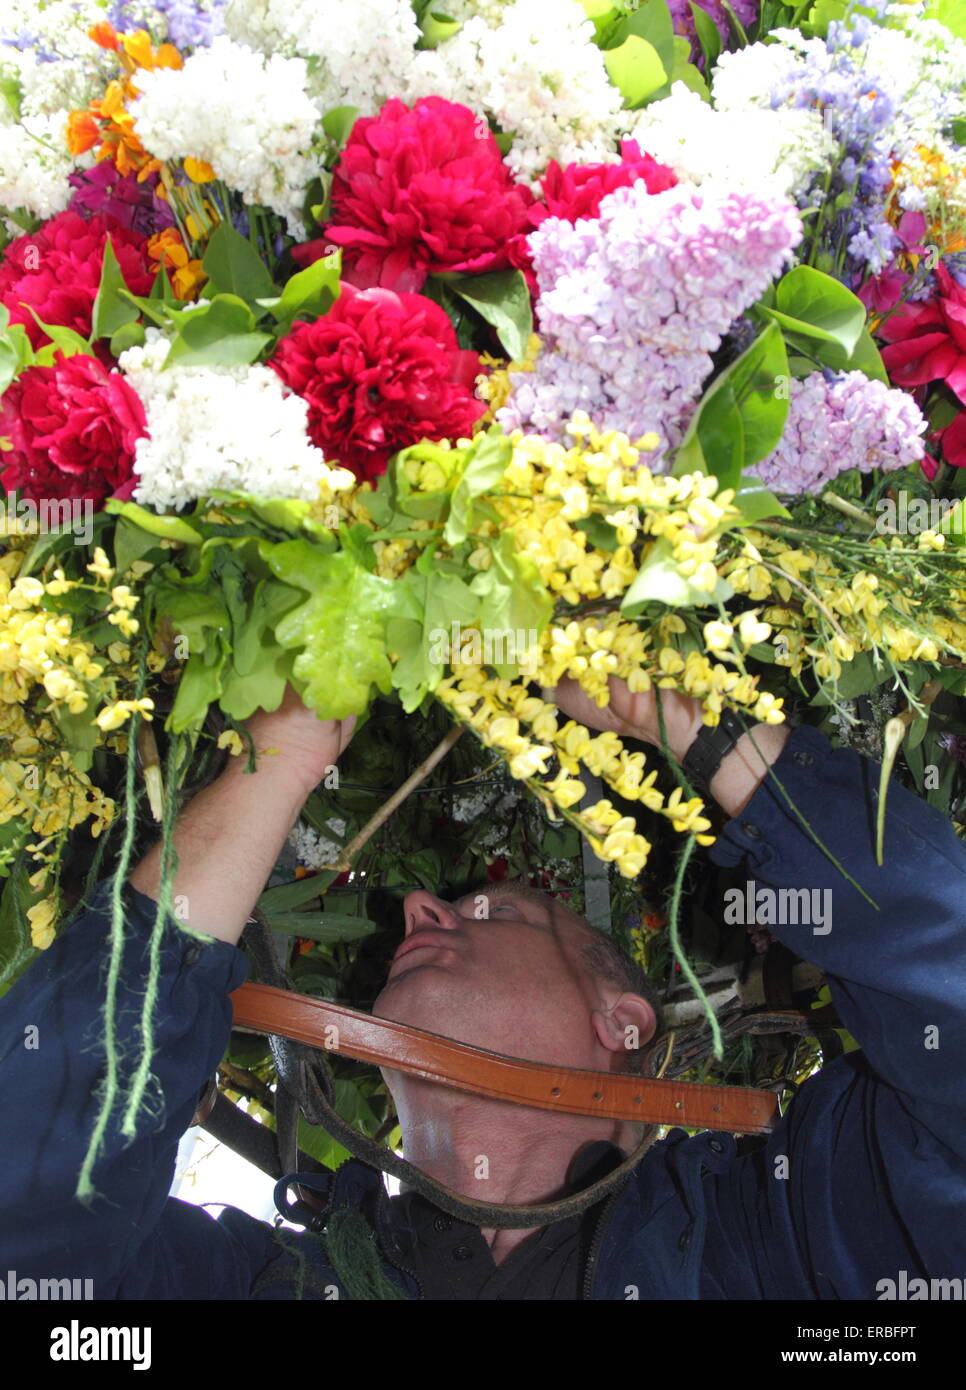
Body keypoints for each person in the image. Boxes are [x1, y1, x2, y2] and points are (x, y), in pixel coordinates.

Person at [2, 676, 964, 1300]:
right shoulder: (265, 1283)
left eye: (493, 910)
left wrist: (697, 728)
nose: (420, 905)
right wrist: (276, 764)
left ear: (623, 1023)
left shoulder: (783, 1243)